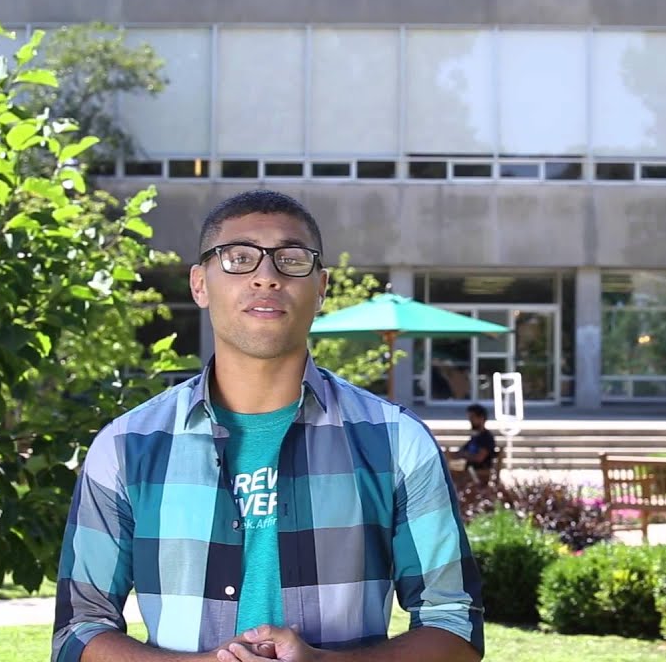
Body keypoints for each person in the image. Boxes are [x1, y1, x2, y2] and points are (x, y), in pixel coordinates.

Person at [52, 190, 484, 662]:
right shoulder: (126, 447)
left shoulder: (397, 441)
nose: (266, 276)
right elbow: (79, 629)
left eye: (291, 259)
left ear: (320, 288)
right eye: (238, 258)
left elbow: (454, 625)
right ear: (200, 285)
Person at [452, 404, 496, 473]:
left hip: (480, 473)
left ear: (481, 418)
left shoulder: (487, 438)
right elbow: (460, 452)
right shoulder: (475, 437)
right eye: (469, 418)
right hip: (468, 471)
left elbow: (479, 458)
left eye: (472, 417)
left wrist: (465, 455)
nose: (470, 420)